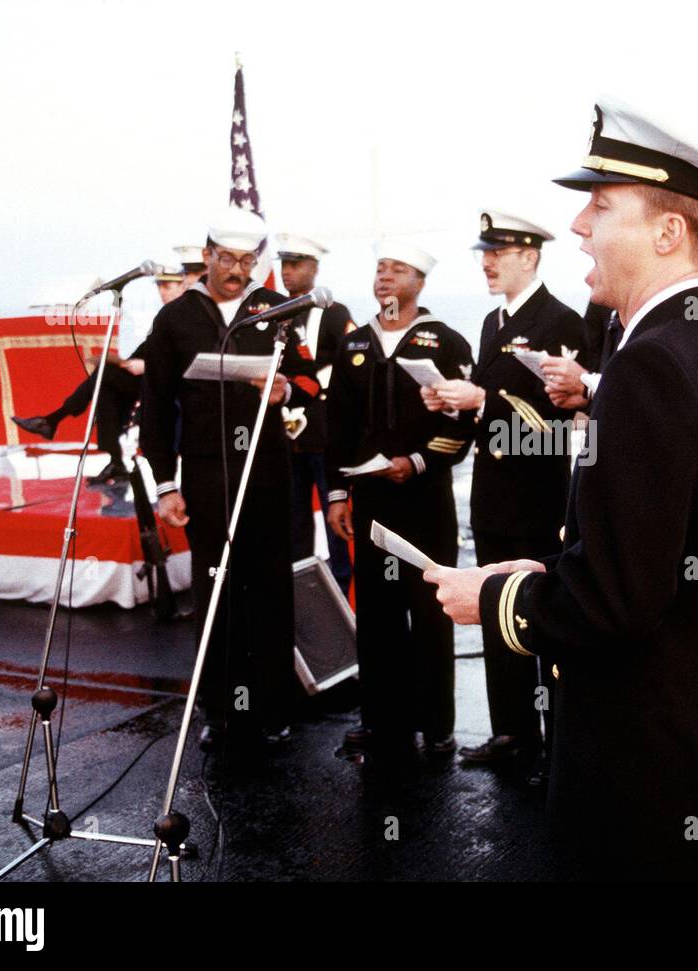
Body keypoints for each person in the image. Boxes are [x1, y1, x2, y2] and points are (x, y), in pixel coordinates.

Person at [424, 98, 698, 881]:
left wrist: (491, 596)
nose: (579, 226)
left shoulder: (652, 366)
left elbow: (620, 598)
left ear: (667, 232)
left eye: (600, 204)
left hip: (646, 778)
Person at [140, 208, 316, 751]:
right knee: (216, 585)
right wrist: (165, 486)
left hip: (266, 469)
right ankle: (220, 709)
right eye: (227, 259)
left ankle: (271, 709)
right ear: (208, 256)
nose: (236, 270)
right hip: (206, 470)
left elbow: (311, 382)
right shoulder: (176, 319)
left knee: (267, 586)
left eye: (246, 260)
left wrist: (287, 389)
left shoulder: (277, 310)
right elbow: (154, 406)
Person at [420, 211, 586, 769]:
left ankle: (555, 742)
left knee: (541, 617)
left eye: (499, 252)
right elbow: (488, 409)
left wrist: (482, 401)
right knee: (494, 612)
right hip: (491, 497)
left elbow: (557, 424)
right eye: (484, 253)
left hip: (537, 498)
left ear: (530, 255)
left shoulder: (562, 322)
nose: (488, 262)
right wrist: (453, 403)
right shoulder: (493, 324)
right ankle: (511, 732)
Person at [324, 241, 475, 759]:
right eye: (381, 268)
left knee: (430, 612)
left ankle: (436, 727)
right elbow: (336, 428)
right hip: (369, 499)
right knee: (379, 616)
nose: (386, 277)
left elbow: (464, 426)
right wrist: (338, 494)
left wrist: (417, 461)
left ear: (421, 282)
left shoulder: (446, 342)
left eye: (400, 270)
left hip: (425, 501)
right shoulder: (353, 345)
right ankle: (381, 719)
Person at [11, 259, 190, 483]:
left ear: (182, 285)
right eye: (159, 286)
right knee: (105, 386)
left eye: (167, 286)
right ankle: (116, 460)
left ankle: (52, 420)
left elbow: (189, 358)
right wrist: (124, 363)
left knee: (104, 375)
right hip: (152, 379)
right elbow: (147, 351)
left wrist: (146, 366)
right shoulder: (166, 315)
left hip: (174, 385)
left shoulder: (188, 315)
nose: (162, 292)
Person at [276, 231, 356, 594]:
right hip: (286, 435)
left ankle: (341, 591)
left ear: (314, 268)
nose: (287, 271)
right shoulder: (275, 311)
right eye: (283, 263)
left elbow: (352, 366)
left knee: (334, 517)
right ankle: (300, 592)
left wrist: (316, 382)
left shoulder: (335, 313)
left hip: (323, 434)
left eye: (295, 264)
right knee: (292, 523)